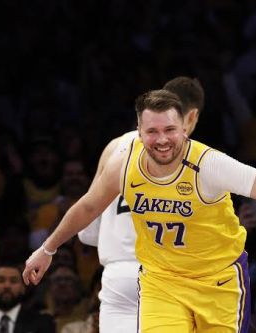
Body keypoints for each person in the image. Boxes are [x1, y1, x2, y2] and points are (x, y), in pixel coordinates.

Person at [23, 89, 256, 332]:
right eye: (152, 131)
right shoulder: (125, 162)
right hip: (162, 281)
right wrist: (47, 248)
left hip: (217, 282)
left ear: (185, 127)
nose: (162, 139)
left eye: (170, 129)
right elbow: (88, 206)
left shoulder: (209, 165)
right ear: (138, 130)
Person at [77, 76, 204, 332]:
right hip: (165, 275)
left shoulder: (114, 147)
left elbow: (87, 231)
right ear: (191, 116)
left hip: (117, 275)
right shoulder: (194, 155)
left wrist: (117, 234)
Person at [0, 263, 55, 333]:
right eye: (0, 280)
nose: (7, 286)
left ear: (23, 288)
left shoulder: (42, 323)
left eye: (13, 281)